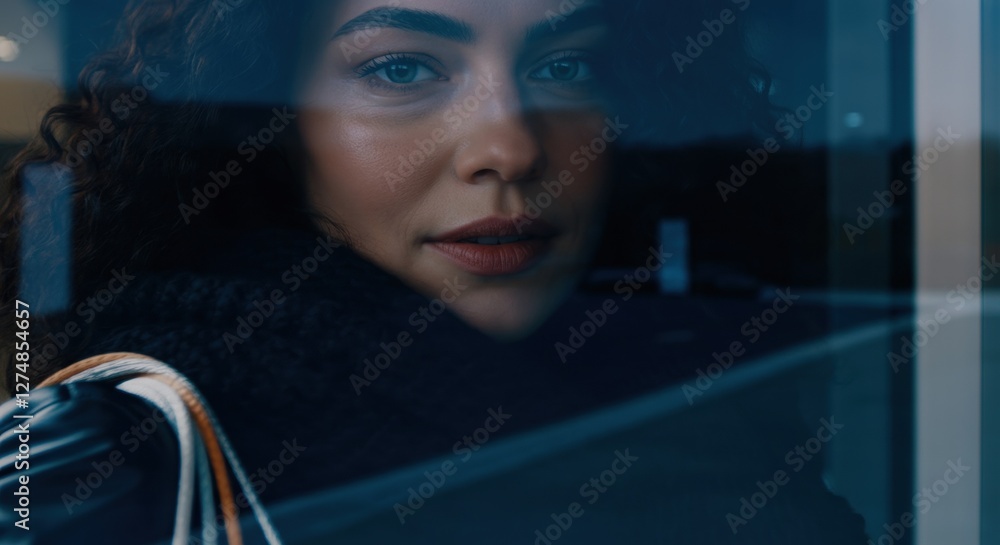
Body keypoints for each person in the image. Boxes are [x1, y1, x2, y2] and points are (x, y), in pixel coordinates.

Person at [0, 0, 869, 543]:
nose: (511, 146)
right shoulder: (118, 455)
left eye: (565, 66)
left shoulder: (707, 404)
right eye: (402, 68)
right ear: (273, 122)